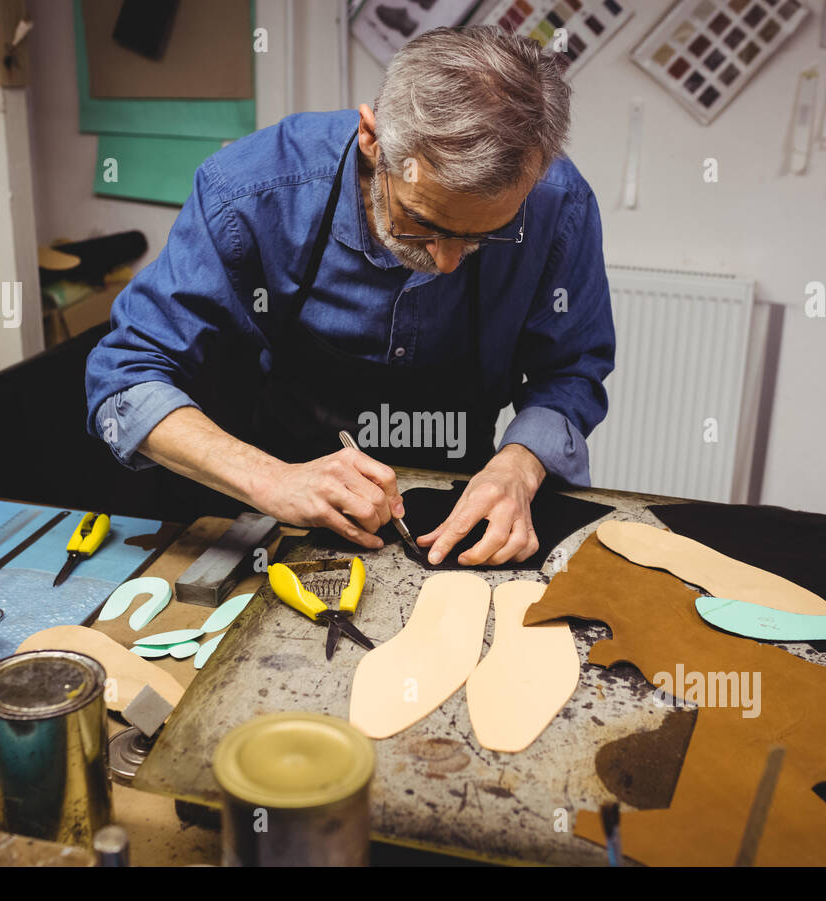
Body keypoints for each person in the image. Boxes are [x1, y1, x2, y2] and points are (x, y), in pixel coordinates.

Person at [86, 26, 614, 566]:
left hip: (459, 509)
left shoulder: (557, 205)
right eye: (423, 224)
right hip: (282, 504)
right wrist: (270, 480)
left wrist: (519, 467)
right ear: (373, 138)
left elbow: (571, 369)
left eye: (483, 236)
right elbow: (125, 377)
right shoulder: (252, 191)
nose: (449, 261)